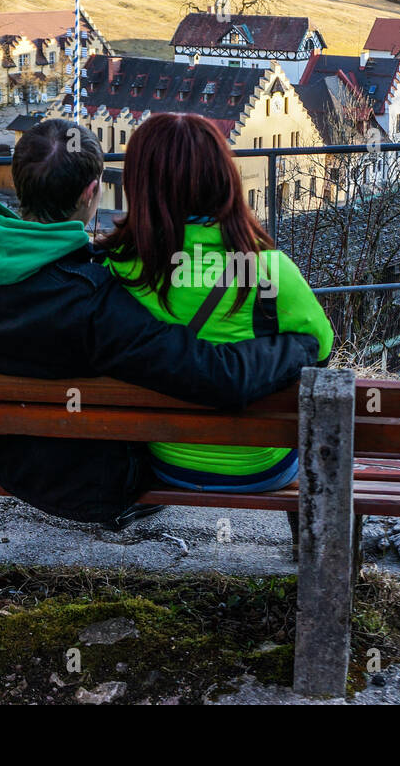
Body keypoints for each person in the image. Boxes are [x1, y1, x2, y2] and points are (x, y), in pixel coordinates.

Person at [0, 119, 320, 528]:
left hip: (1, 457)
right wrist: (298, 347)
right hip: (91, 481)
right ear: (91, 192)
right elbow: (215, 377)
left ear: (18, 182)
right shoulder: (96, 301)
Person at [98, 113, 334, 493]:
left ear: (137, 181)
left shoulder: (116, 268)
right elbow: (322, 350)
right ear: (224, 175)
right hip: (260, 468)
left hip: (166, 461)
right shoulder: (268, 270)